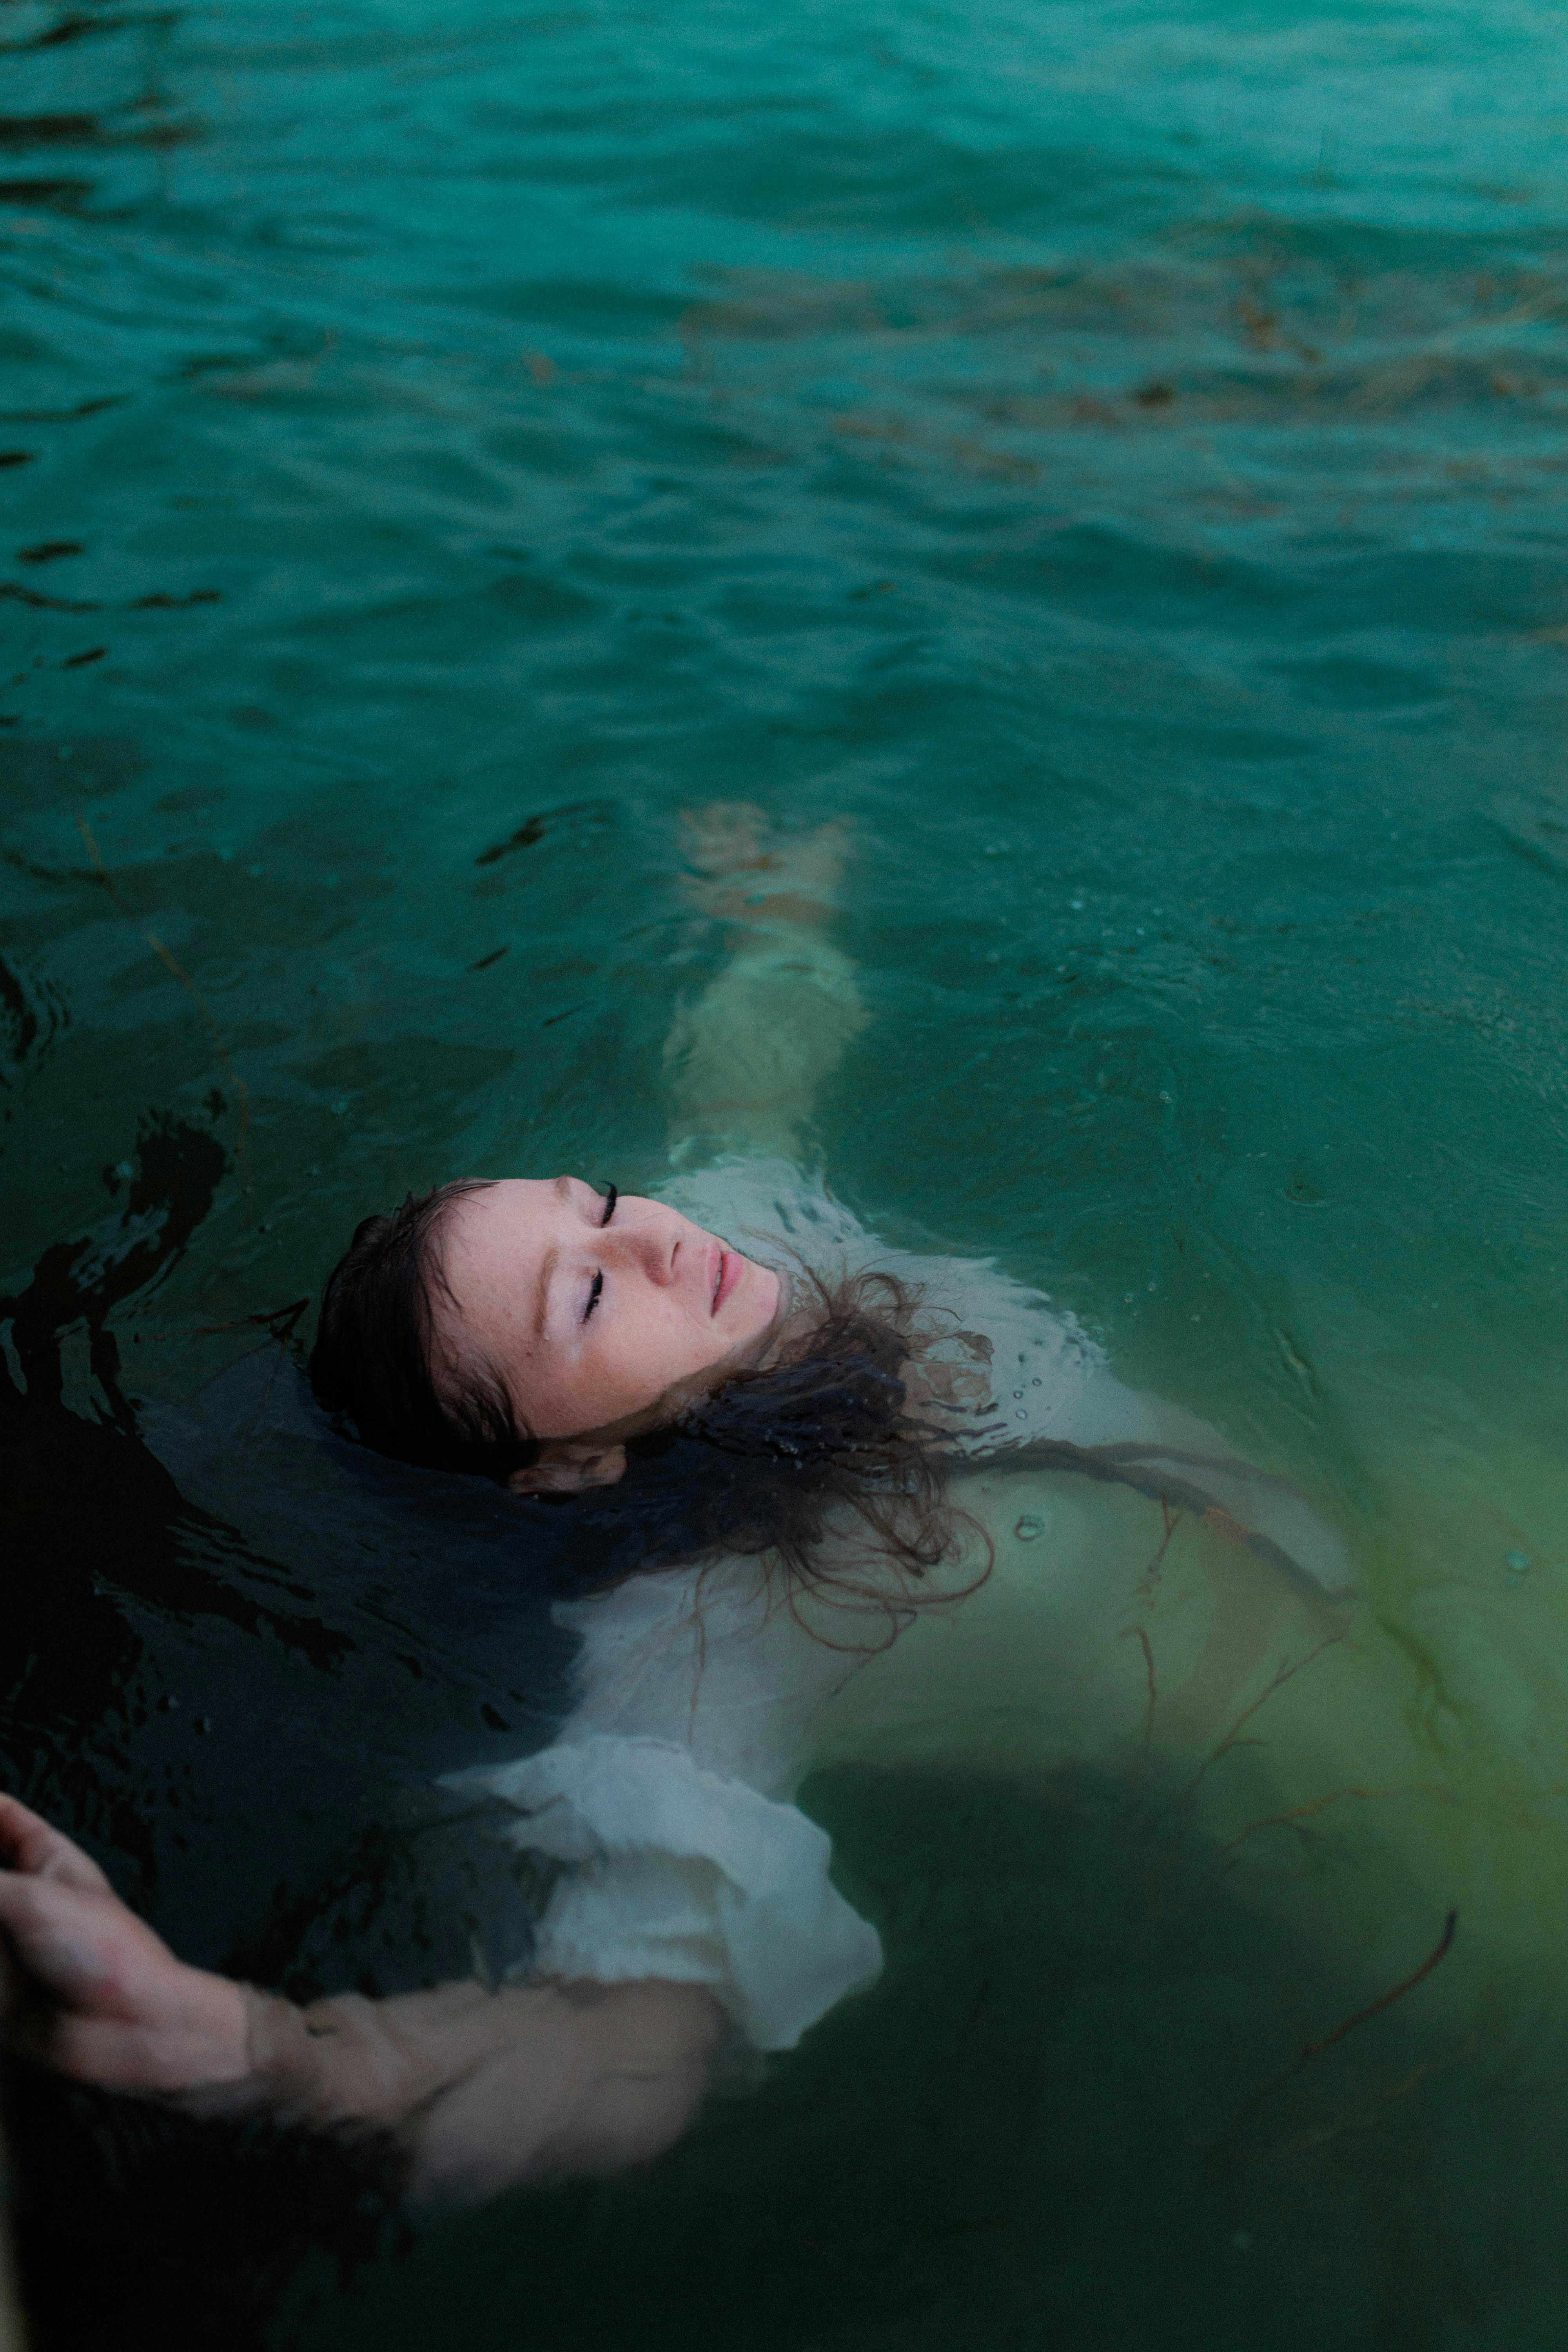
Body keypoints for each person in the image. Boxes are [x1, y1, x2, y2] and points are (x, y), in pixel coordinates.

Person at [0, 807, 1359, 2205]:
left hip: (1417, 1524)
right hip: (1333, 1767)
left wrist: (780, 914)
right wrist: (262, 2049)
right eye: (586, 1293)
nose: (649, 1234)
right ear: (563, 1468)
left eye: (596, 1201)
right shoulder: (690, 1649)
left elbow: (748, 1086)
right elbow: (629, 2045)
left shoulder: (748, 1239)